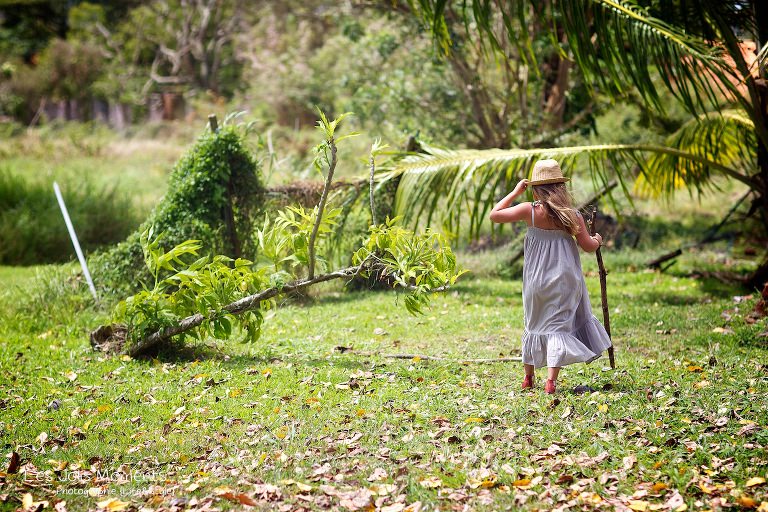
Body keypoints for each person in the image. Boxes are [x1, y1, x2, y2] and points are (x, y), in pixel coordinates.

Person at [489, 159, 612, 394]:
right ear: (561, 189)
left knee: (533, 325)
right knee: (558, 327)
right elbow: (588, 246)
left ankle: (528, 377)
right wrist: (598, 240)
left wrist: (516, 191)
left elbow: (495, 215)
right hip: (565, 280)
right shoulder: (572, 216)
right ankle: (551, 382)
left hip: (536, 281)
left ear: (536, 189)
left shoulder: (530, 211)